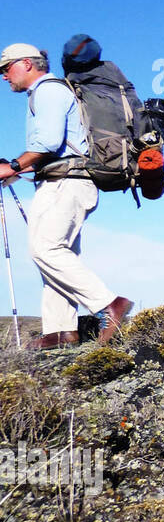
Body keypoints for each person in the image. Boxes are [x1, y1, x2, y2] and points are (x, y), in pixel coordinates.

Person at [0, 40, 133, 349]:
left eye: (6, 69)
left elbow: (47, 142)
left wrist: (14, 166)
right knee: (58, 254)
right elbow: (56, 150)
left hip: (66, 184)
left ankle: (109, 305)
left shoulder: (48, 91)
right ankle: (61, 331)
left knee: (45, 250)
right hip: (63, 180)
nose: (4, 76)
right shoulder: (50, 92)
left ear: (27, 64)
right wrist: (20, 169)